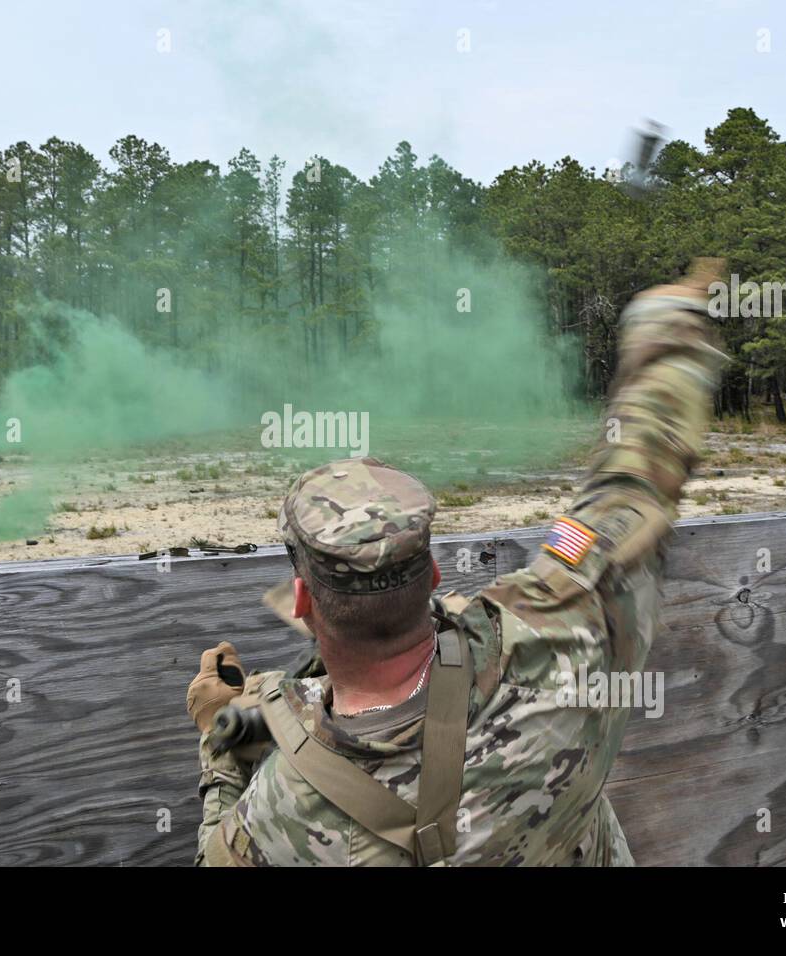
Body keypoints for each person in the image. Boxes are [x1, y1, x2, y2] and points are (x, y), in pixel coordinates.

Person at [187, 260, 727, 866]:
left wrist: (220, 735)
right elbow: (631, 493)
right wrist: (667, 328)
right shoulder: (562, 646)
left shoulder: (277, 817)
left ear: (303, 600)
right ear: (435, 575)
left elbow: (217, 852)